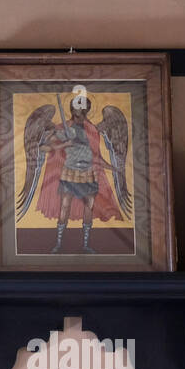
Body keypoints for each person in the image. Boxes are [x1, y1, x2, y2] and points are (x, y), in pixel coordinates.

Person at [39, 92, 125, 254]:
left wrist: (113, 168)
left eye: (83, 113)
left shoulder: (92, 130)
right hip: (70, 172)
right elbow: (43, 147)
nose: (79, 116)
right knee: (64, 207)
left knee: (89, 208)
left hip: (88, 174)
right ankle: (58, 244)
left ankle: (85, 245)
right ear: (72, 111)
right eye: (77, 112)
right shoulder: (63, 129)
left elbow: (96, 156)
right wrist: (63, 145)